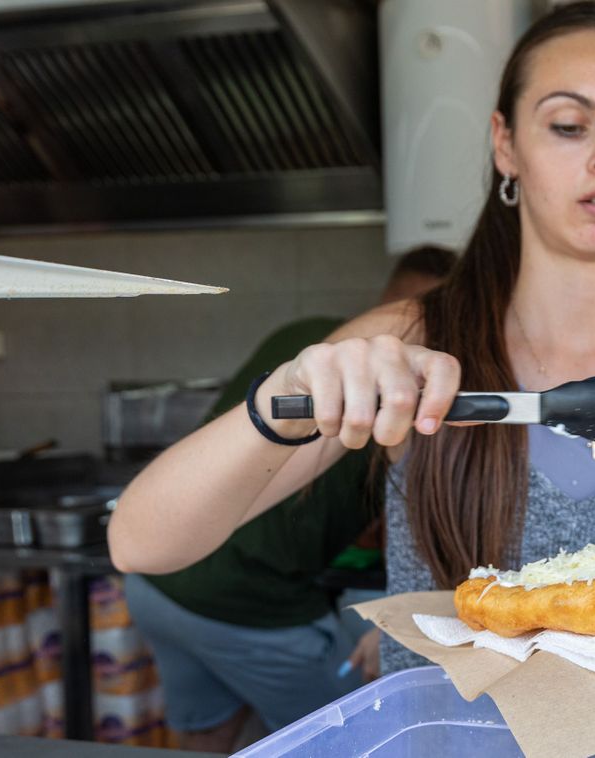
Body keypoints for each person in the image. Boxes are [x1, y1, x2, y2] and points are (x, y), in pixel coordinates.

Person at [111, 0, 595, 698]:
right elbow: (143, 545)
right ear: (505, 144)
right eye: (569, 126)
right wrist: (284, 401)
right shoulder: (404, 342)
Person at [121, 246, 456, 753]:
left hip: (154, 589)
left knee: (206, 732)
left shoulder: (303, 338)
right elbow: (419, 521)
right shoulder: (407, 396)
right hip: (247, 599)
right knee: (357, 739)